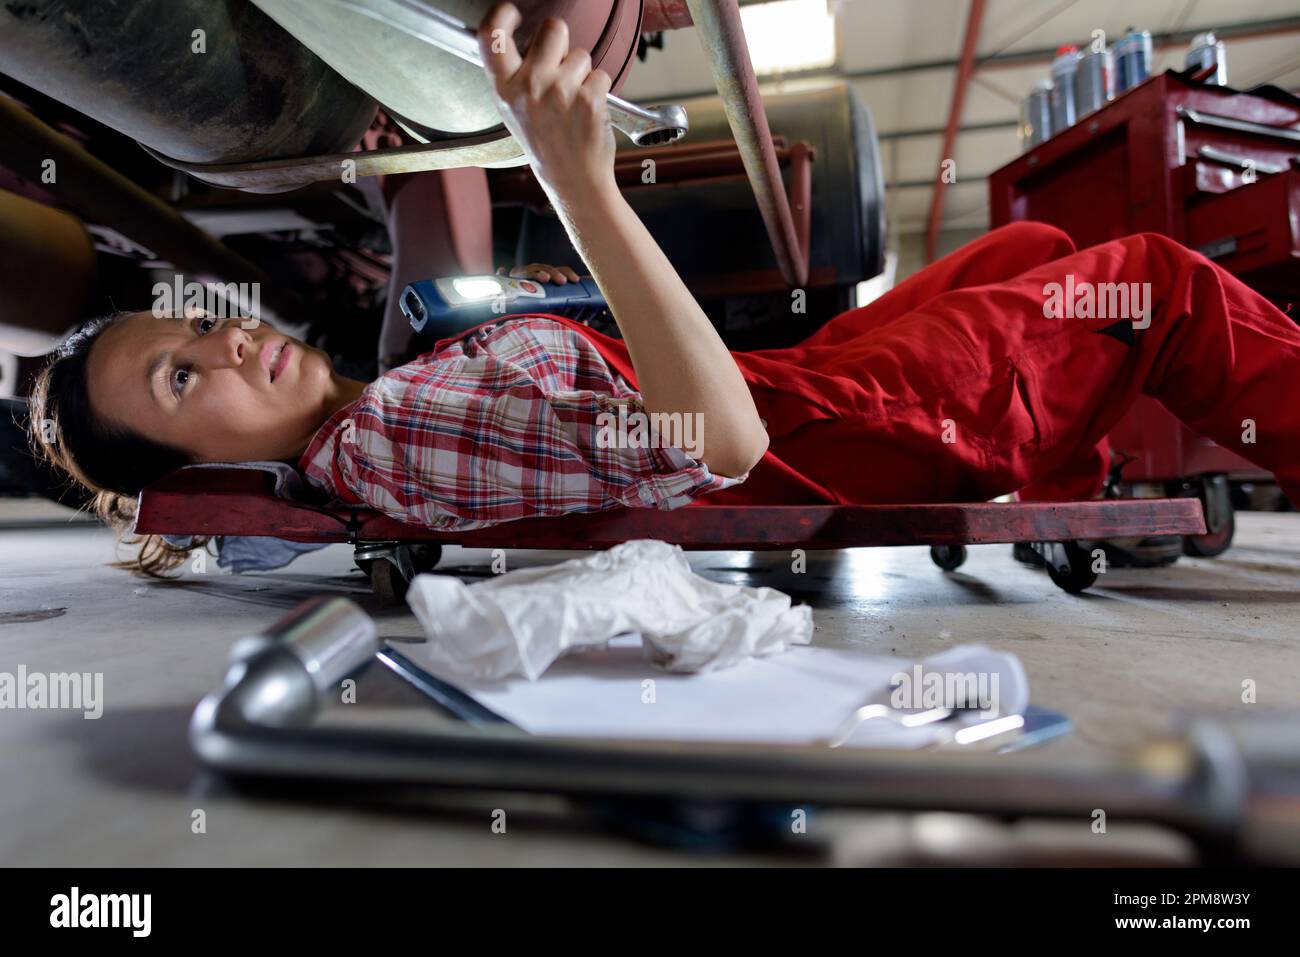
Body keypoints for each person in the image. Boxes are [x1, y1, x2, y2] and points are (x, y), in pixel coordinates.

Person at [27, 2, 1300, 578]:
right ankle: (1017, 445)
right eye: (180, 379)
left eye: (199, 328)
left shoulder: (384, 413)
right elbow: (717, 445)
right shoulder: (391, 439)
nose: (226, 348)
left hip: (802, 389)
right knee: (1149, 284)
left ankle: (1058, 485)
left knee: (1030, 263)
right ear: (201, 474)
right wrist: (581, 181)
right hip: (829, 441)